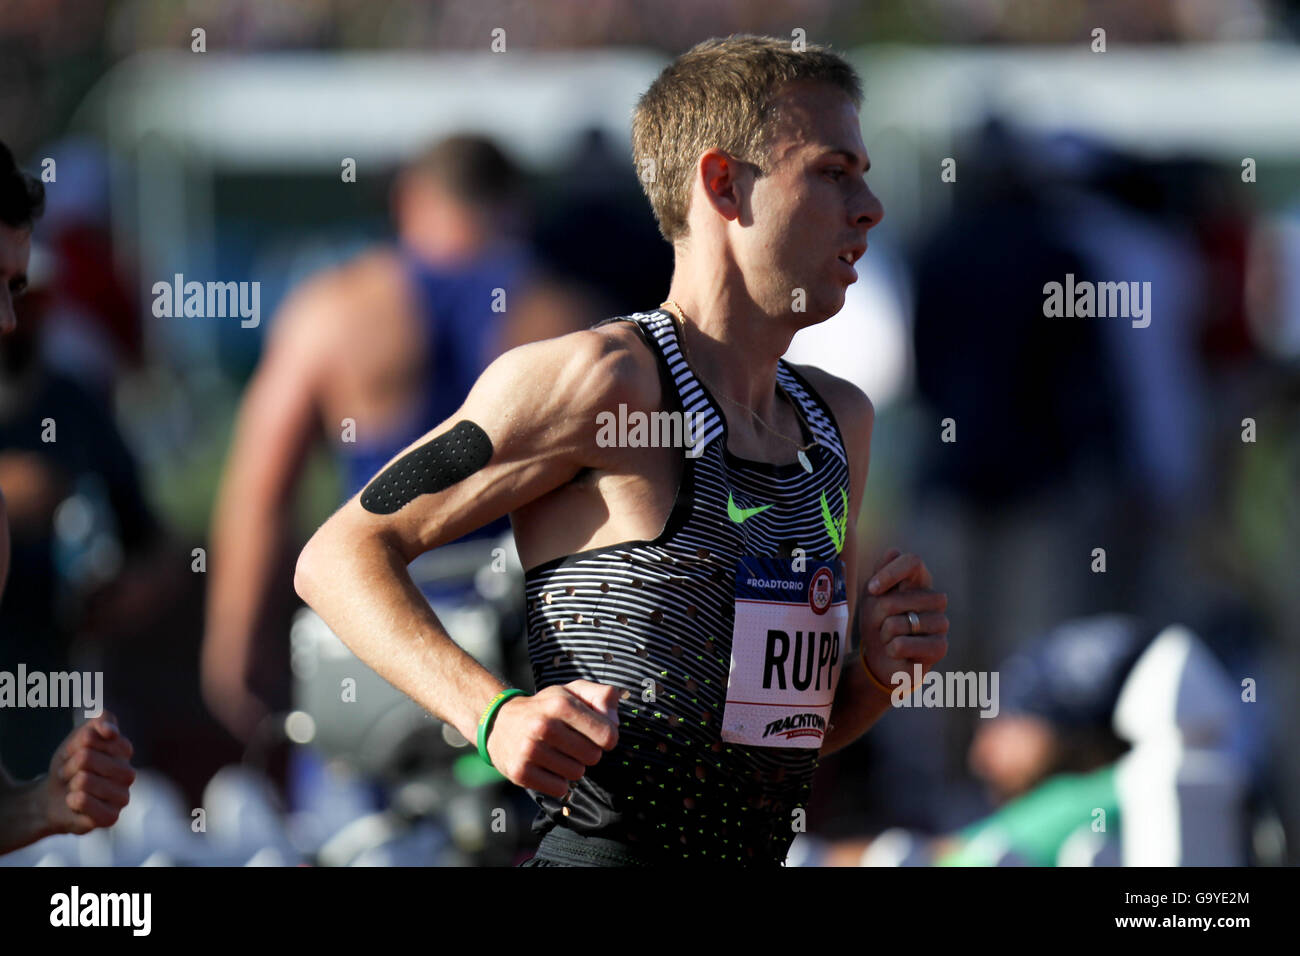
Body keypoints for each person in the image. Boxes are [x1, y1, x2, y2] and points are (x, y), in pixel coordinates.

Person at [295, 35, 948, 867]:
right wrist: (493, 715)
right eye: (833, 171)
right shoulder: (603, 382)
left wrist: (878, 677)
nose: (871, 206)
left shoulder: (835, 420)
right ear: (723, 184)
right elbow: (337, 556)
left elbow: (781, 738)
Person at [201, 135, 585, 745]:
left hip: (376, 639)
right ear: (514, 204)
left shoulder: (333, 310)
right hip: (522, 662)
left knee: (358, 835)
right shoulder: (570, 323)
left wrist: (234, 647)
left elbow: (262, 493)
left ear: (411, 200)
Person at [0, 138, 134, 855]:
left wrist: (45, 805)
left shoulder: (71, 398)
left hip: (42, 669)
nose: (10, 320)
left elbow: (152, 542)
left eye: (18, 288)